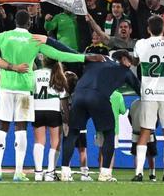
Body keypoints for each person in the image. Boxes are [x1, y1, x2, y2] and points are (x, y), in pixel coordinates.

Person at [0, 10, 87, 181]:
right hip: (25, 89)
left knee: (1, 128)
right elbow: (59, 55)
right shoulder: (34, 40)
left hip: (5, 88)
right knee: (20, 130)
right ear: (30, 23)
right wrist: (85, 58)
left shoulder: (3, 36)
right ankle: (18, 172)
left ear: (14, 22)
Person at [58, 49, 141, 182]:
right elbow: (139, 88)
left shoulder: (95, 59)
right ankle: (105, 173)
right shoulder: (123, 69)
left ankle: (65, 172)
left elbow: (75, 57)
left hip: (79, 95)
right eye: (130, 61)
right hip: (98, 97)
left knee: (72, 132)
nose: (130, 65)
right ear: (124, 59)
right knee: (109, 133)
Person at [132, 14, 164, 182]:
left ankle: (138, 172)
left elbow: (135, 61)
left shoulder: (141, 44)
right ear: (163, 28)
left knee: (145, 133)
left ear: (148, 29)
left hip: (149, 94)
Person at [32, 57, 69, 181]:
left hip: (37, 108)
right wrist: (66, 118)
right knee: (55, 142)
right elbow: (63, 100)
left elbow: (30, 91)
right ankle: (50, 173)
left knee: (39, 141)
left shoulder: (35, 74)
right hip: (53, 110)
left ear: (43, 61)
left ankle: (38, 173)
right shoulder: (59, 75)